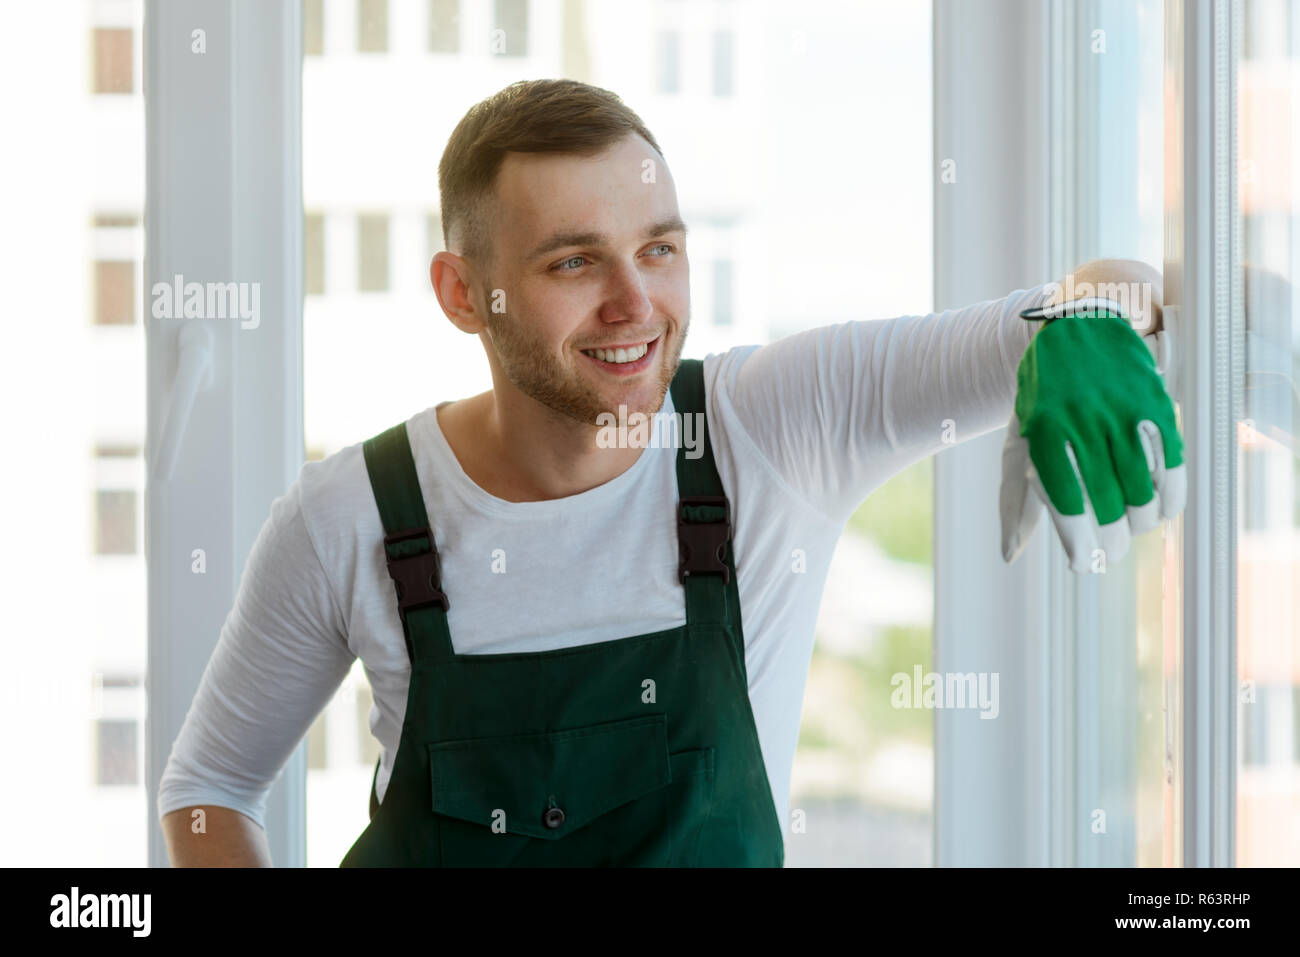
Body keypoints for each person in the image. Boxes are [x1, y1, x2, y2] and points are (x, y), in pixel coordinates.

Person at [158, 78, 1178, 866]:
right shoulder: (352, 519)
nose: (633, 304)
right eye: (572, 262)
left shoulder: (771, 430)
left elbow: (1118, 287)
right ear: (464, 294)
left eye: (659, 250)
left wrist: (1081, 318)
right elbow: (206, 788)